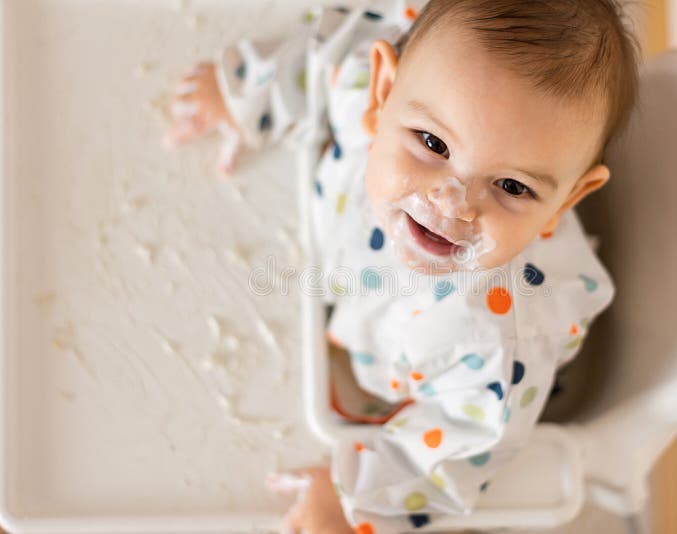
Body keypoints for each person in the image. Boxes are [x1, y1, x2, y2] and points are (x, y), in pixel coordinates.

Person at [163, 1, 640, 532]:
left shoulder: (492, 348)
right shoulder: (366, 83)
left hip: (435, 376)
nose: (453, 203)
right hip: (351, 280)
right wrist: (248, 94)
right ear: (382, 91)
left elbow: (455, 452)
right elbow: (331, 45)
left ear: (570, 197)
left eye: (511, 187)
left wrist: (351, 499)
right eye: (433, 145)